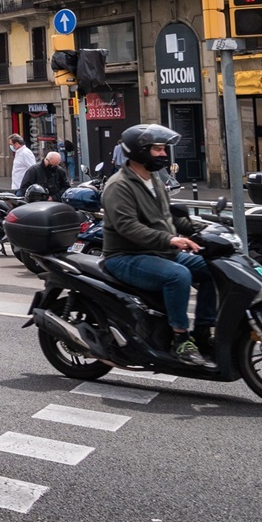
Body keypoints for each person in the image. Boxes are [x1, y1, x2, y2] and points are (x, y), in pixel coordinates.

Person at [99, 123, 216, 366]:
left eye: (164, 149)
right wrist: (170, 239)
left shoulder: (155, 180)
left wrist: (202, 228)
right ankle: (180, 338)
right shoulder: (118, 186)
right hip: (125, 256)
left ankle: (203, 331)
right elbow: (128, 227)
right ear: (140, 152)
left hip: (158, 252)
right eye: (158, 149)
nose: (164, 154)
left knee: (212, 267)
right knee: (178, 275)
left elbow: (168, 217)